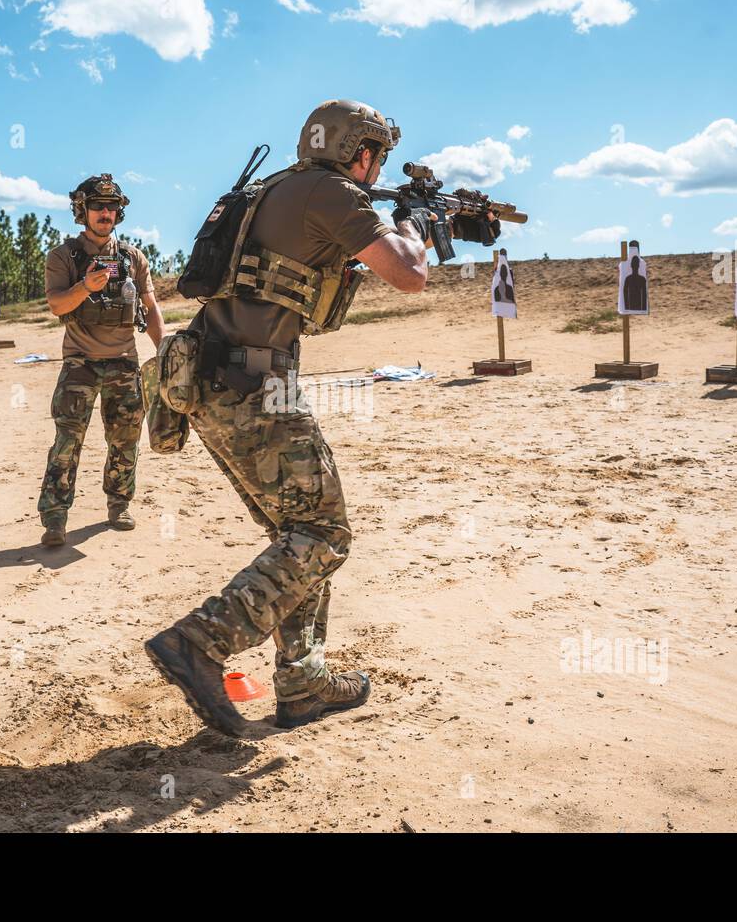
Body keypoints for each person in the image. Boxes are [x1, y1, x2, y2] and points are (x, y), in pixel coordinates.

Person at [144, 99, 491, 737]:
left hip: (213, 378)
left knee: (299, 532)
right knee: (325, 535)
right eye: (377, 157)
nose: (377, 167)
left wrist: (418, 216)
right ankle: (201, 642)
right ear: (360, 153)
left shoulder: (280, 189)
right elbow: (410, 274)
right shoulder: (332, 193)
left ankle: (302, 681)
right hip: (255, 385)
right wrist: (414, 222)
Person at [37, 173, 166, 545]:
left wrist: (165, 349)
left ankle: (119, 503)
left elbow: (151, 307)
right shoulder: (64, 257)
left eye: (112, 207)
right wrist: (84, 287)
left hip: (124, 363)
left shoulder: (132, 258)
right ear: (83, 211)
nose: (105, 213)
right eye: (97, 206)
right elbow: (56, 304)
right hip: (80, 362)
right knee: (67, 441)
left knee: (125, 440)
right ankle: (55, 517)